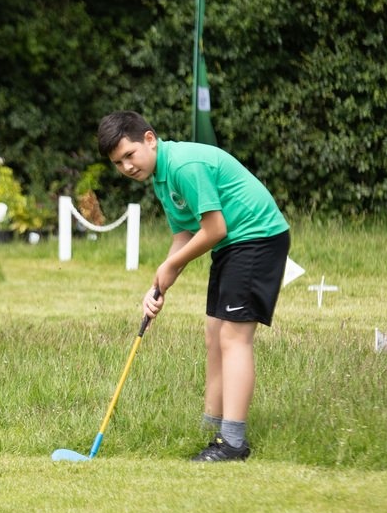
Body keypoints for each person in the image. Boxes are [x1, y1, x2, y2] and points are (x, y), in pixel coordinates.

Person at [97, 110, 289, 462]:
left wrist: (170, 264)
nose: (126, 167)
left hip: (257, 238)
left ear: (150, 140)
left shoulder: (184, 166)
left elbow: (214, 229)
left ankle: (233, 443)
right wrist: (159, 285)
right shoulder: (161, 176)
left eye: (129, 155)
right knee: (214, 334)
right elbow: (184, 234)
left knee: (234, 337)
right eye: (118, 162)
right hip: (233, 244)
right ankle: (210, 426)